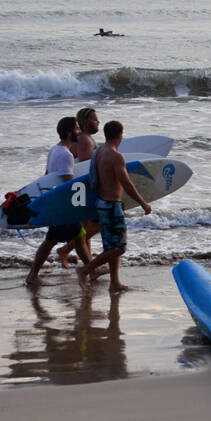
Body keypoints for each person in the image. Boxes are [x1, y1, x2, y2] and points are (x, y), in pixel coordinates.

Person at [76, 120, 151, 293]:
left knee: (110, 247)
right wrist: (143, 203)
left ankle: (114, 282)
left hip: (102, 204)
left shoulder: (100, 152)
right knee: (118, 248)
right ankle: (84, 270)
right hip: (111, 206)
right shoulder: (116, 156)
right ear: (120, 135)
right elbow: (126, 183)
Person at [24, 117, 92, 288]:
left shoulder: (55, 149)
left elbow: (46, 176)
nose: (80, 131)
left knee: (79, 235)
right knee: (51, 240)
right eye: (77, 128)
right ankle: (32, 275)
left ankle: (91, 268)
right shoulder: (65, 155)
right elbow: (70, 185)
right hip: (63, 206)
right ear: (70, 133)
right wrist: (82, 207)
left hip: (57, 203)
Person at [55, 107, 100, 267]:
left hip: (75, 190)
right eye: (95, 119)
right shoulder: (84, 140)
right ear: (87, 122)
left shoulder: (84, 138)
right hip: (80, 189)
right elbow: (85, 168)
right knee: (99, 222)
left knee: (85, 226)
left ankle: (88, 262)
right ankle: (66, 250)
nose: (98, 122)